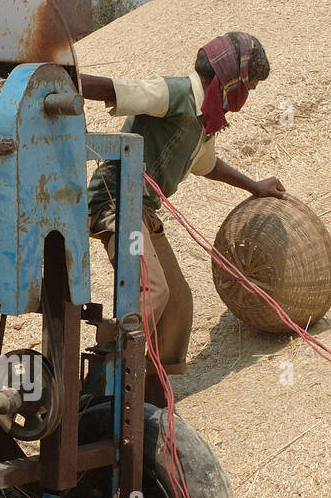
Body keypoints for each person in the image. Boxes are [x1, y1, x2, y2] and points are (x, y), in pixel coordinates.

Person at [82, 31, 285, 405]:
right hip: (112, 204)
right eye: (251, 85)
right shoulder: (176, 94)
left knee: (178, 302)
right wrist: (66, 81)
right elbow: (116, 89)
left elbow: (207, 165)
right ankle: (105, 383)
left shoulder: (205, 115)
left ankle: (152, 390)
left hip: (142, 211)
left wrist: (254, 186)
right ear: (233, 79)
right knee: (153, 289)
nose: (249, 94)